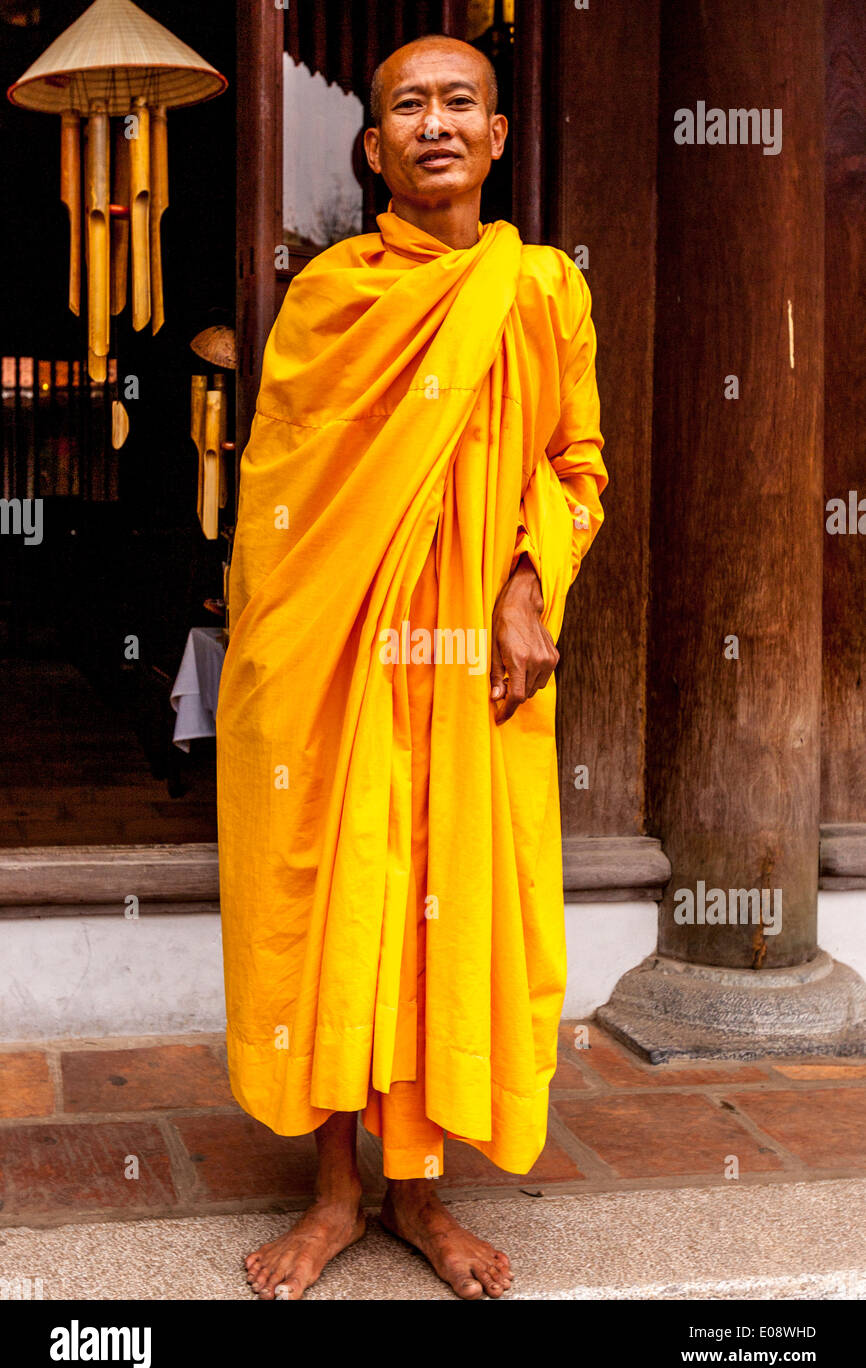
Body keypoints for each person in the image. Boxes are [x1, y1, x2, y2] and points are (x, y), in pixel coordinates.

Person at [216, 32, 607, 1301]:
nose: (433, 123)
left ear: (498, 137)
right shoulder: (332, 298)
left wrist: (523, 579)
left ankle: (423, 1199)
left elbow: (573, 466)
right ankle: (334, 1194)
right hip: (337, 654)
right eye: (406, 106)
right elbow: (281, 491)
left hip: (472, 663)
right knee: (343, 893)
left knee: (448, 899)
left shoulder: (543, 292)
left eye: (458, 103)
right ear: (372, 145)